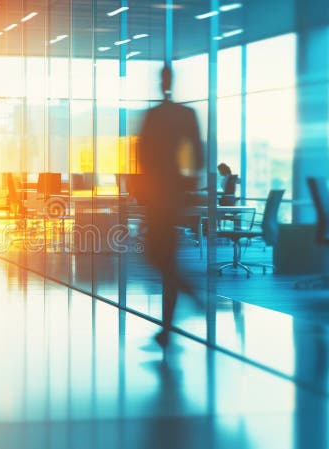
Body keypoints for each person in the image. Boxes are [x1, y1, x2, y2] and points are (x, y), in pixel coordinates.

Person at [138, 65, 204, 349]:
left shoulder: (160, 115)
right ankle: (189, 291)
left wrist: (185, 187)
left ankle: (167, 327)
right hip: (165, 189)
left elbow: (142, 153)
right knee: (158, 255)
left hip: (165, 189)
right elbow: (197, 155)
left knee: (163, 256)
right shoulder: (178, 115)